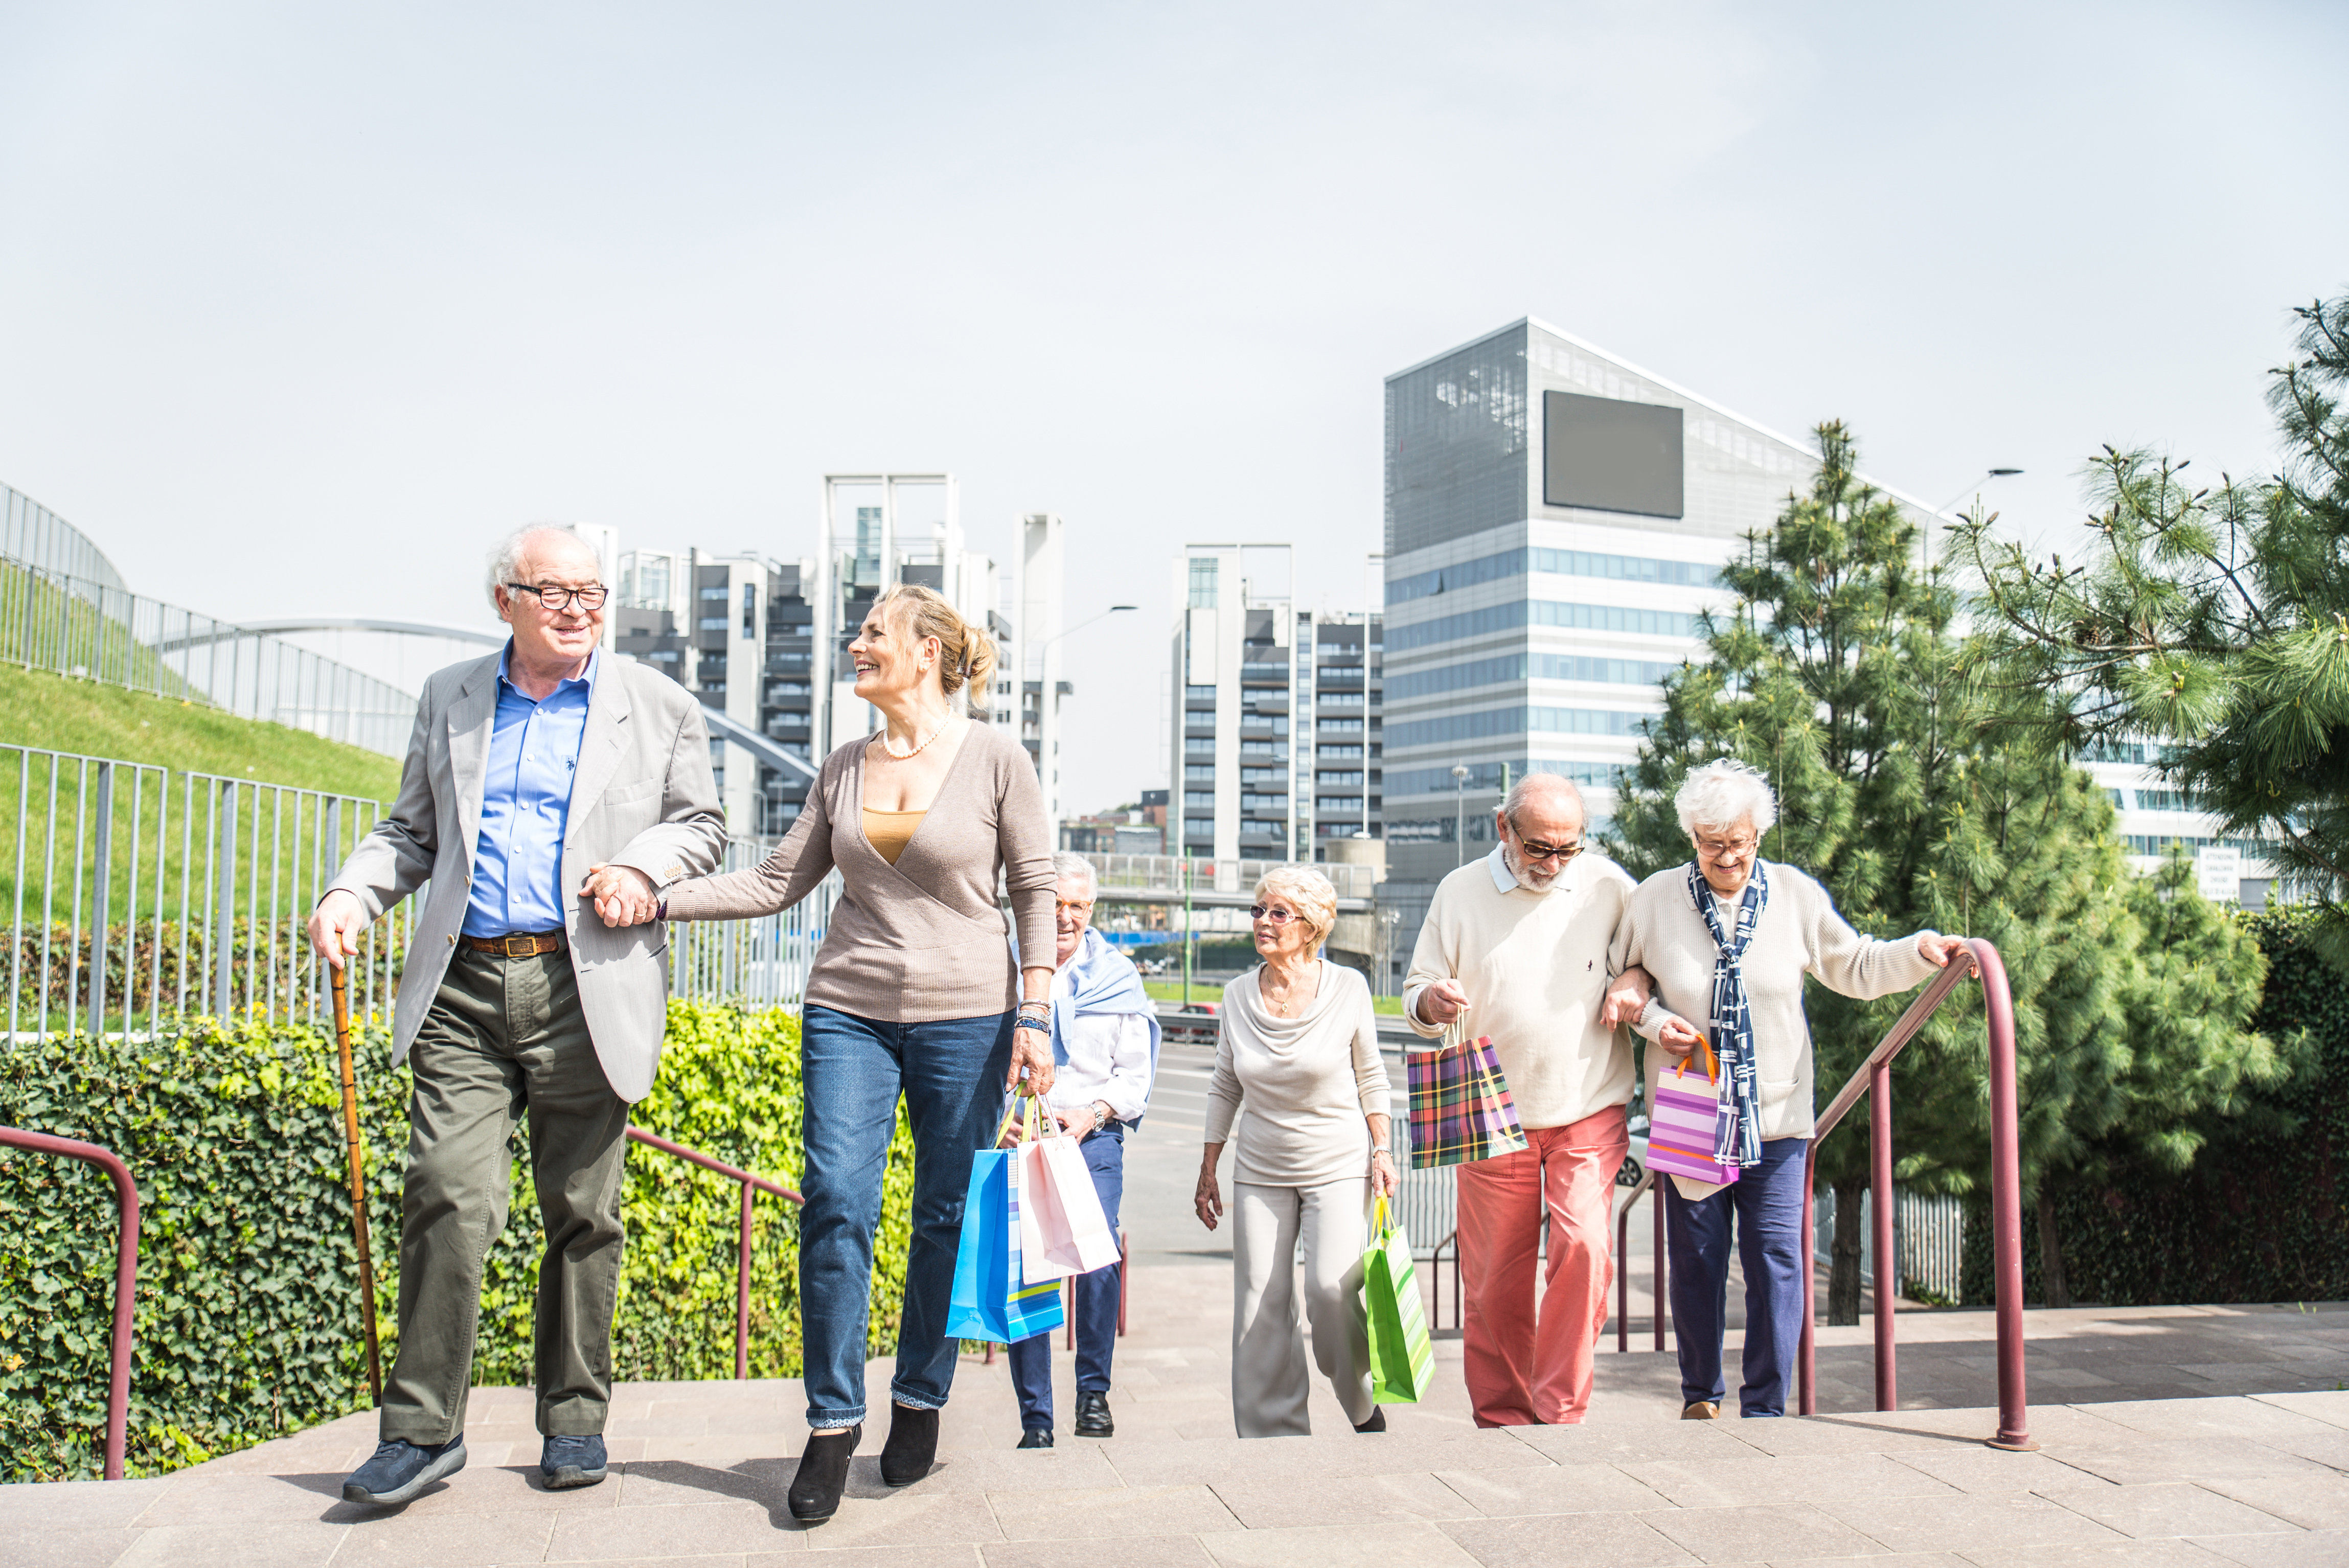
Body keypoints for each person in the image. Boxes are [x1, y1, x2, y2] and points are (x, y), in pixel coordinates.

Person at [619, 581, 1056, 1523]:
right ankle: (830, 1421)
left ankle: (921, 1399)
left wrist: (1037, 1013)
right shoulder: (845, 764)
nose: (855, 646)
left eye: (873, 634)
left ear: (928, 652)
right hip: (847, 1009)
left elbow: (1035, 887)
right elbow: (779, 881)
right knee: (836, 1206)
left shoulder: (994, 758)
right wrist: (657, 895)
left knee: (943, 1215)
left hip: (969, 1017)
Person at [310, 525, 728, 1507]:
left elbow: (703, 827)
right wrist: (352, 893)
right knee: (449, 1195)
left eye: (592, 591)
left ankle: (575, 1422)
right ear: (506, 599)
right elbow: (410, 830)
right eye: (555, 591)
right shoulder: (451, 695)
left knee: (585, 1213)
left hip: (588, 986)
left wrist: (642, 866)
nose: (579, 608)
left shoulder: (659, 705)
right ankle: (420, 1432)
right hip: (463, 985)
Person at [1610, 758, 1968, 1420]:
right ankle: (1700, 1393)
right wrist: (1660, 1023)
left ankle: (1765, 1402)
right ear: (1690, 836)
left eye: (1739, 841)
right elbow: (1623, 980)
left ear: (1758, 834)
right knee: (1696, 1259)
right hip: (1691, 1102)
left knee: (1777, 1258)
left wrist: (1918, 950)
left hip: (1776, 1112)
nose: (1727, 856)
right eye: (1712, 843)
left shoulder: (1793, 894)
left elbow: (1852, 964)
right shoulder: (1654, 899)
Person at [1402, 773, 1653, 1427]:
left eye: (1568, 848)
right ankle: (1505, 1418)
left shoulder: (1607, 885)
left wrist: (1629, 982)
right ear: (1501, 828)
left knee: (1586, 1244)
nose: (1554, 863)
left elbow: (1644, 960)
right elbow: (1417, 991)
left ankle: (1560, 1407)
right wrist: (1430, 1002)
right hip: (1486, 1100)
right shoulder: (1459, 890)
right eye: (1540, 847)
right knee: (1491, 1282)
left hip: (1586, 1104)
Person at [1195, 866, 1397, 1438]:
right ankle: (1272, 1436)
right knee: (1260, 1300)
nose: (1262, 921)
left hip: (1337, 1161)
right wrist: (1209, 1166)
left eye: (1277, 913)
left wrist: (1382, 1148)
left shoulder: (1348, 987)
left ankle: (1360, 1402)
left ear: (1310, 927)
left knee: (1330, 1290)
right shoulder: (1236, 995)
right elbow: (1224, 1083)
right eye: (1257, 910)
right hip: (1259, 1166)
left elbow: (1371, 1075)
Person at [1006, 851, 1158, 1448]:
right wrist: (1006, 1117)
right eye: (1053, 904)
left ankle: (1093, 1392)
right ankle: (1035, 1418)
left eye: (1076, 905)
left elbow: (1133, 1076)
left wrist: (1091, 1113)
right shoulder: (1007, 968)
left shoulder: (1120, 977)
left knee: (1098, 1261)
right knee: (1028, 1271)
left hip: (1091, 1134)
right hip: (1024, 1135)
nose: (1065, 917)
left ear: (1091, 909)